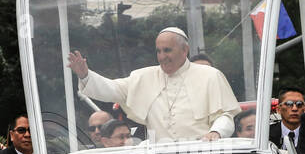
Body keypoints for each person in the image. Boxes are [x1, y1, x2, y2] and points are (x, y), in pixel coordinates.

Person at [68, 28, 242, 141]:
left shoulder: (210, 76)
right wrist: (85, 75)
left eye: (167, 50)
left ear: (185, 50)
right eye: (158, 51)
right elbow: (111, 89)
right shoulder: (144, 77)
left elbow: (225, 115)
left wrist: (216, 132)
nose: (162, 56)